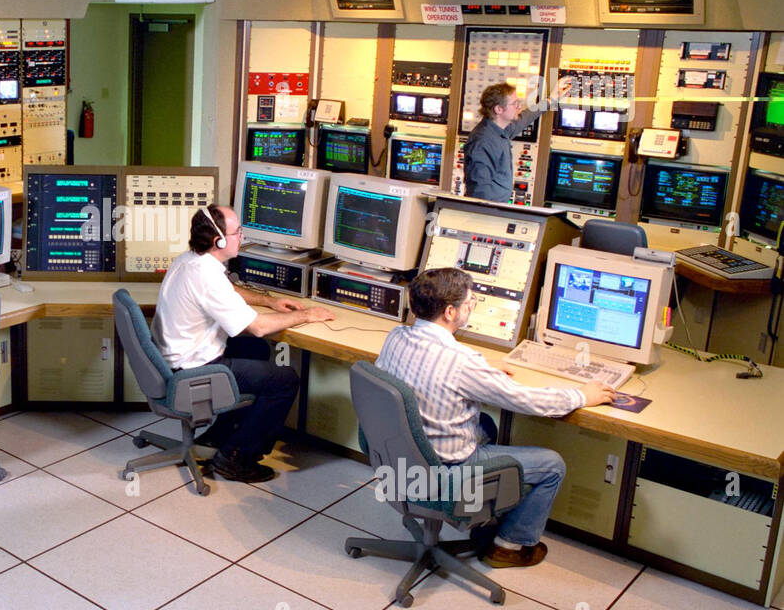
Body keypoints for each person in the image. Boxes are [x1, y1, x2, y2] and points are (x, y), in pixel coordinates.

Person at [375, 267, 618, 567]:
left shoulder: (397, 336)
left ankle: (486, 509)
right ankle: (509, 546)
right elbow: (525, 399)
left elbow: (435, 369)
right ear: (451, 312)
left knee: (486, 425)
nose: (471, 306)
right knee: (553, 465)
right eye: (470, 302)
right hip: (445, 468)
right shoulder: (462, 363)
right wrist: (582, 395)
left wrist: (482, 372)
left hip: (399, 461)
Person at [151, 204, 334, 482]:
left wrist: (269, 301)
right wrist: (307, 315)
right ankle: (236, 457)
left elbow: (229, 291)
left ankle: (220, 436)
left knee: (256, 350)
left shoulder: (190, 260)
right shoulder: (206, 275)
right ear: (219, 240)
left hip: (174, 360)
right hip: (192, 371)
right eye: (237, 233)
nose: (242, 238)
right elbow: (259, 327)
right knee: (284, 380)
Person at [463, 78, 566, 203]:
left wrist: (551, 100)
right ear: (499, 109)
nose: (519, 106)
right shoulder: (482, 141)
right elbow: (480, 192)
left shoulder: (500, 129)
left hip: (497, 208)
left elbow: (524, 118)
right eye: (515, 103)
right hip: (488, 213)